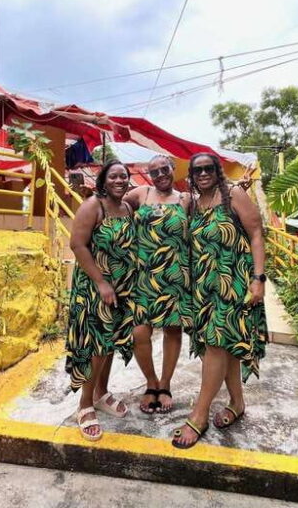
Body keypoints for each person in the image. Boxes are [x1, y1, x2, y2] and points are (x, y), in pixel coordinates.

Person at [172, 152, 268, 449]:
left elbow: (255, 233)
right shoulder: (193, 204)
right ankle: (237, 402)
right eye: (197, 170)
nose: (202, 174)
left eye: (208, 168)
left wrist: (259, 279)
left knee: (216, 345)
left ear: (218, 171)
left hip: (234, 282)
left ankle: (199, 415)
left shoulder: (234, 195)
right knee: (225, 348)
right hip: (203, 286)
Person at [66, 160, 136, 441]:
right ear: (104, 180)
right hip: (96, 286)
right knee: (95, 344)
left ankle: (101, 393)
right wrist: (101, 282)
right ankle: (85, 404)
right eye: (114, 176)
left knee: (110, 342)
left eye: (124, 176)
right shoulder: (92, 206)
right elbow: (77, 245)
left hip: (121, 287)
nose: (120, 180)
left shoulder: (127, 207)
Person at [125, 155, 191, 414]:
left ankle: (164, 385)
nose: (161, 174)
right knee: (140, 332)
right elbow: (114, 205)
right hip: (143, 275)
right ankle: (150, 383)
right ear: (149, 175)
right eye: (155, 171)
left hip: (175, 274)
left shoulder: (185, 200)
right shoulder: (142, 192)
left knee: (173, 331)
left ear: (173, 170)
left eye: (165, 169)